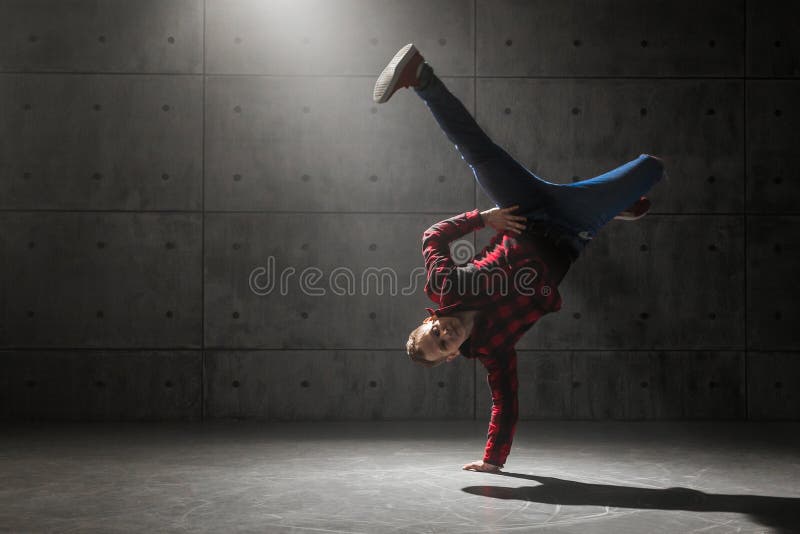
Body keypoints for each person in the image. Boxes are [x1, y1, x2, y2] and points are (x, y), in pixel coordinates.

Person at [373, 44, 667, 473]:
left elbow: (433, 237)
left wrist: (484, 217)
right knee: (652, 167)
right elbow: (505, 403)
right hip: (570, 227)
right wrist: (493, 462)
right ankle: (608, 208)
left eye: (433, 331)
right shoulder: (494, 347)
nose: (444, 334)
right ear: (453, 355)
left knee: (475, 151)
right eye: (442, 346)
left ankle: (420, 76)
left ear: (429, 318)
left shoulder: (445, 288)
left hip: (523, 207)